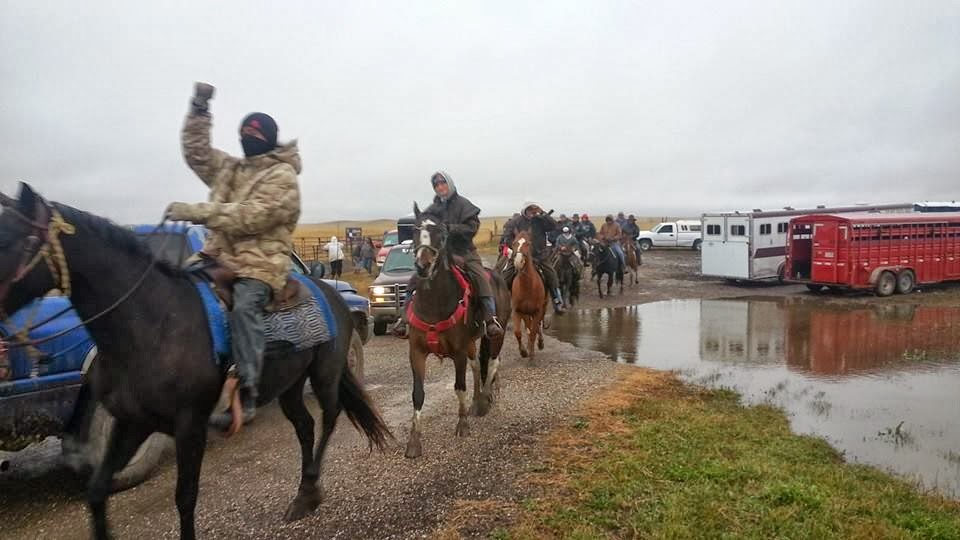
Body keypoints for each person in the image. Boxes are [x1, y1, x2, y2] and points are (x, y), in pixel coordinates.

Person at [166, 82, 301, 428]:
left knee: (243, 306)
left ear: (268, 138)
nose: (248, 138)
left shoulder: (283, 176)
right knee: (173, 290)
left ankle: (248, 389)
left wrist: (196, 211)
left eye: (254, 133)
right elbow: (197, 153)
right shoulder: (231, 168)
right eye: (244, 133)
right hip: (216, 256)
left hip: (260, 263)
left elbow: (250, 216)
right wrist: (199, 108)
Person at [392, 171, 503, 338]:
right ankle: (404, 318)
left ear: (449, 184)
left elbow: (472, 228)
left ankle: (490, 319)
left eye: (442, 183)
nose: (440, 187)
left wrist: (452, 228)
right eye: (436, 185)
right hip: (439, 255)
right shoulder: (433, 209)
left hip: (464, 252)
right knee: (415, 280)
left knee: (480, 277)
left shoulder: (464, 204)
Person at [501, 202, 566, 315]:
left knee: (552, 275)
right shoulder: (516, 221)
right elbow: (507, 235)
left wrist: (543, 213)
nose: (532, 212)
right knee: (506, 275)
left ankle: (557, 301)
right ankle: (503, 302)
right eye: (530, 210)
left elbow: (554, 225)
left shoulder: (540, 220)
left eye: (534, 210)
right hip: (520, 254)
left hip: (539, 255)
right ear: (525, 210)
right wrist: (514, 248)